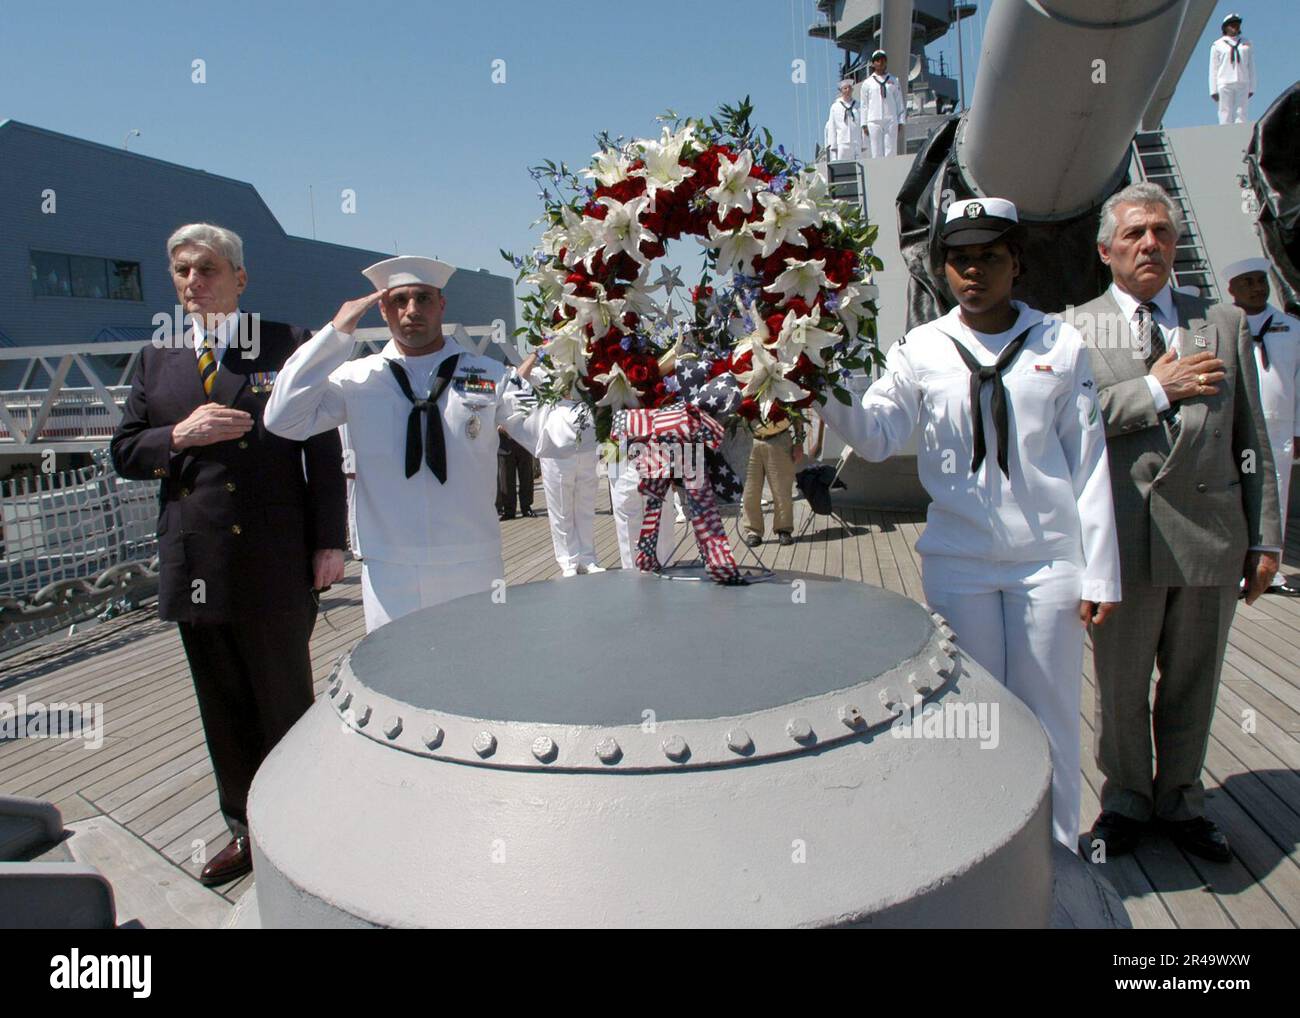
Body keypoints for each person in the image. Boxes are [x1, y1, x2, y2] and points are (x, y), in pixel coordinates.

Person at [820, 198, 1121, 849]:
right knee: (979, 718)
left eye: (989, 255)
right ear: (943, 270)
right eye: (960, 258)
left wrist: (1101, 571)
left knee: (1050, 720)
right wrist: (818, 381)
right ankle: (991, 854)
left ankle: (1060, 855)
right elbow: (875, 436)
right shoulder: (922, 349)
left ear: (1016, 263)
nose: (974, 270)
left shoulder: (1061, 344)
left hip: (1049, 564)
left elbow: (1088, 461)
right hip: (960, 564)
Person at [110, 223, 347, 886]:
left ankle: (306, 825)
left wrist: (330, 540)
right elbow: (125, 451)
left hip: (274, 555)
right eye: (182, 270)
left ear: (240, 279)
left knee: (284, 698)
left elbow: (322, 452)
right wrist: (178, 435)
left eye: (208, 269)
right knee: (222, 703)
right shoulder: (157, 359)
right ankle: (244, 828)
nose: (194, 282)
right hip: (196, 561)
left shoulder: (287, 344)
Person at [1077, 182, 1281, 863]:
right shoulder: (1076, 329)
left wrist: (1265, 537)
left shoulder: (1220, 321)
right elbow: (1070, 425)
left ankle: (1184, 802)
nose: (1150, 244)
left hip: (1208, 536)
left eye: (1161, 231)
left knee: (1193, 681)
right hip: (1125, 541)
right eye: (1134, 234)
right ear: (1106, 251)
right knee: (1122, 685)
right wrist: (1154, 389)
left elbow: (1252, 433)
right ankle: (1128, 800)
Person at [264, 256, 583, 631]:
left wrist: (607, 402)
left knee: (479, 674)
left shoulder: (491, 374)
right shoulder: (355, 378)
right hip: (389, 567)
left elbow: (551, 433)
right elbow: (282, 418)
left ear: (442, 305)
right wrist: (334, 335)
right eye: (399, 300)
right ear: (382, 309)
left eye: (423, 298)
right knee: (394, 679)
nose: (411, 310)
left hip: (472, 562)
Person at [1223, 257, 1300, 596]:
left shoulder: (1292, 328)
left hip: (1278, 428)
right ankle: (1239, 565)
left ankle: (1272, 570)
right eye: (1248, 281)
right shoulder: (1223, 327)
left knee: (1277, 494)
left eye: (1261, 280)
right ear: (1232, 289)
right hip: (1239, 429)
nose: (1257, 287)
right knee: (1240, 490)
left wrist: (1298, 430)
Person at [539, 399, 604, 576]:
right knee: (561, 509)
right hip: (556, 446)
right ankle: (568, 562)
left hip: (588, 444)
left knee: (586, 508)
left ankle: (588, 558)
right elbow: (520, 381)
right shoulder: (543, 372)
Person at [742, 416, 801, 547]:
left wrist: (799, 442)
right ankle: (753, 531)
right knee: (749, 491)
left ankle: (784, 529)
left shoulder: (786, 394)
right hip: (750, 442)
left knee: (782, 490)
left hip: (779, 440)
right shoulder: (741, 394)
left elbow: (797, 413)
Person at [1209, 13, 1255, 126]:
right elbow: (1213, 68)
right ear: (1225, 27)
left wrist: (1252, 87)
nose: (1235, 27)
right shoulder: (1218, 45)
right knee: (1225, 111)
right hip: (1224, 82)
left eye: (1237, 24)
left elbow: (1251, 66)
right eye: (1232, 25)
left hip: (1242, 81)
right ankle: (1225, 133)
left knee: (1241, 112)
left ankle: (1240, 133)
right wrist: (1213, 90)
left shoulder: (1246, 43)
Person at [860, 50, 906, 158]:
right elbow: (864, 105)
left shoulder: (894, 81)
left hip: (890, 119)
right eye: (877, 60)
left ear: (886, 62)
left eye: (882, 60)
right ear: (873, 63)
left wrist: (901, 120)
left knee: (891, 150)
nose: (880, 62)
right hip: (874, 120)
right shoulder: (867, 83)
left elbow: (899, 101)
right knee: (876, 152)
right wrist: (864, 124)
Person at [496, 426, 536, 520]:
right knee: (506, 480)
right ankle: (509, 511)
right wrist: (498, 427)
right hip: (504, 444)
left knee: (526, 477)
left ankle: (526, 507)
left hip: (523, 443)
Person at [824, 79, 862, 162]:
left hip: (856, 141)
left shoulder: (858, 105)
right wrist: (833, 146)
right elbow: (832, 128)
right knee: (842, 166)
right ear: (841, 91)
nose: (847, 90)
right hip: (842, 142)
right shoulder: (835, 107)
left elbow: (862, 124)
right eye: (845, 88)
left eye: (849, 88)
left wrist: (864, 143)